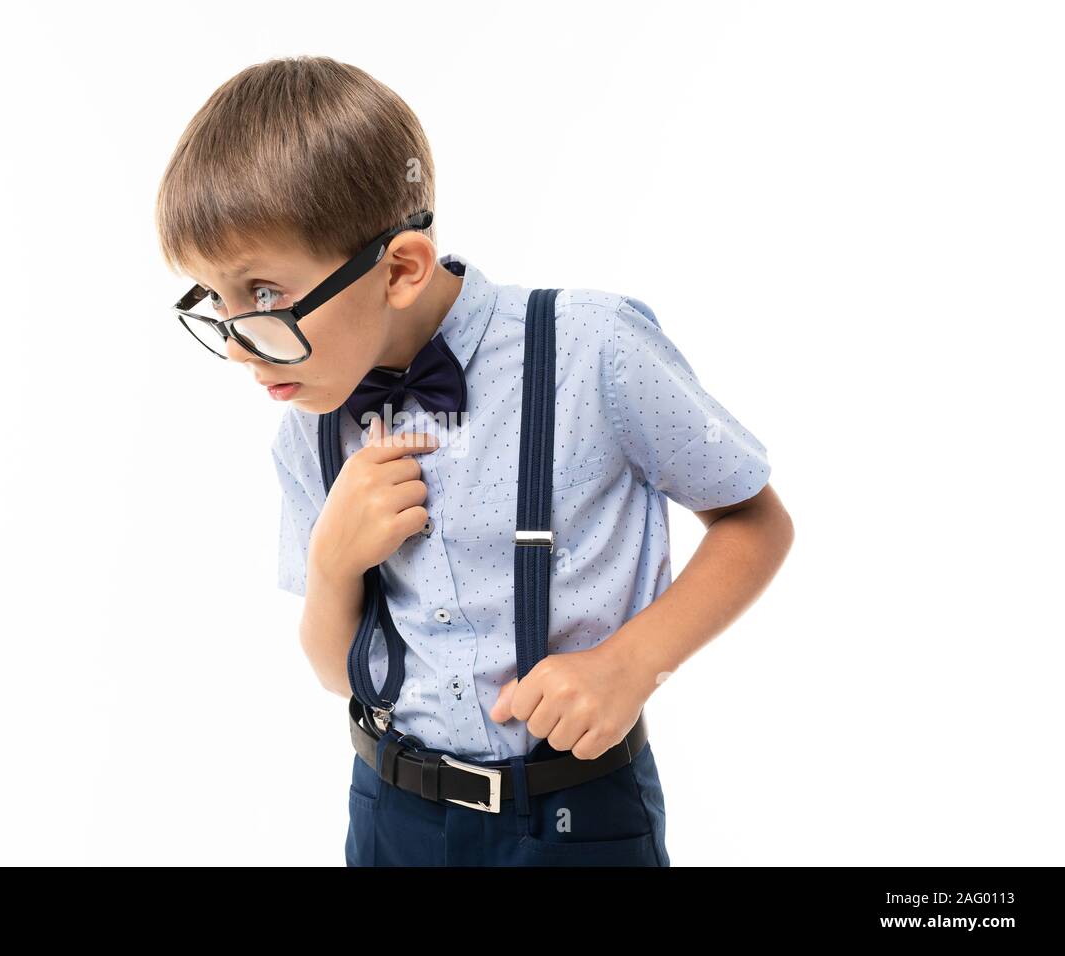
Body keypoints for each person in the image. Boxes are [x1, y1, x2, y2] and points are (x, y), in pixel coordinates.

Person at [155, 55, 795, 866]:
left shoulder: (592, 351)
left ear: (400, 269)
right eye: (216, 300)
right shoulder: (306, 422)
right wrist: (332, 562)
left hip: (577, 813)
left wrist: (631, 664)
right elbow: (333, 670)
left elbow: (755, 520)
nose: (244, 347)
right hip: (392, 814)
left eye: (266, 296)